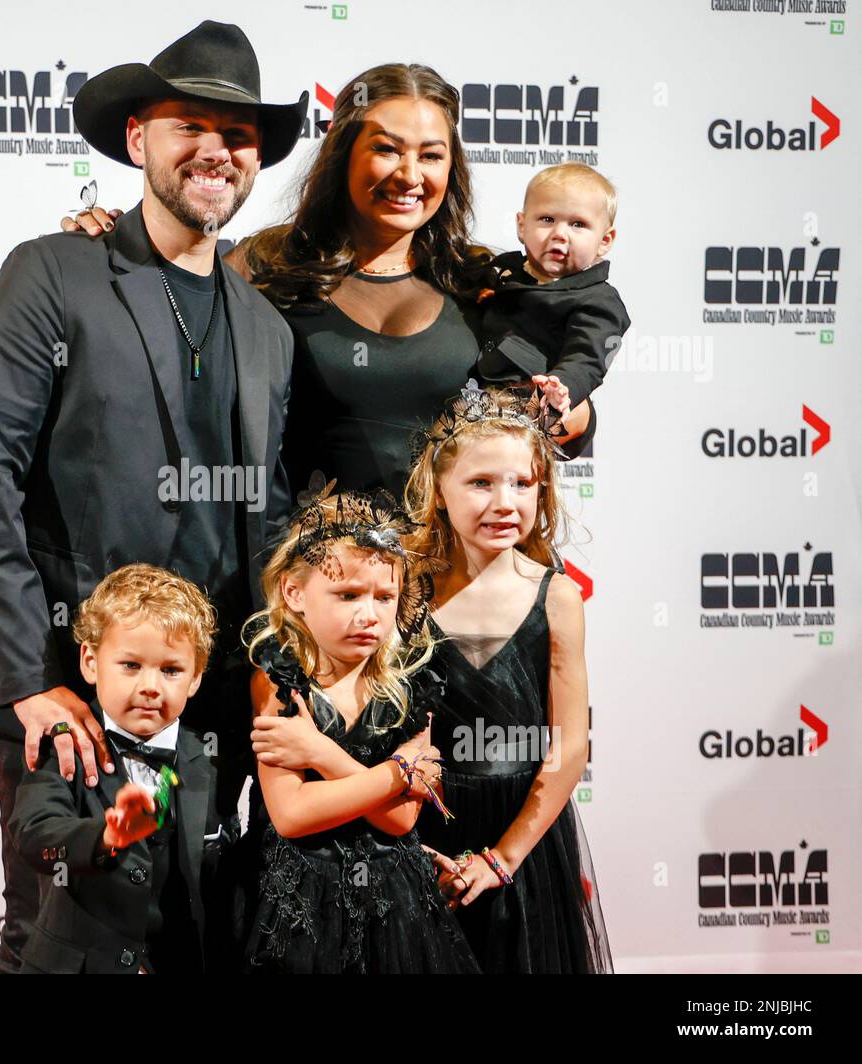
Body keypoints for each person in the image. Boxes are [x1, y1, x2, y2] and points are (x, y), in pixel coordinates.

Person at [0, 20, 306, 972]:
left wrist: (264, 674)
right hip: (64, 679)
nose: (215, 149)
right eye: (190, 124)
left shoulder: (267, 327)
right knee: (57, 938)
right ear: (137, 139)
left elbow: (263, 519)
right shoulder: (53, 273)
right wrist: (26, 681)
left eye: (238, 133)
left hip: (205, 696)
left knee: (189, 938)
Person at [64, 64, 595, 500]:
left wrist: (565, 406)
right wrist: (119, 240)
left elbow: (565, 420)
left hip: (449, 582)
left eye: (431, 155)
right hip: (310, 590)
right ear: (343, 155)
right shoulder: (268, 264)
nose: (410, 175)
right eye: (387, 149)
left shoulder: (479, 278)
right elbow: (174, 337)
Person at [404, 383, 612, 972]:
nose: (505, 502)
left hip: (524, 841)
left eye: (522, 483)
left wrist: (502, 858)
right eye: (481, 483)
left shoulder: (557, 597)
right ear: (438, 493)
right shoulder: (406, 592)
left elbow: (569, 747)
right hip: (425, 830)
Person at [240, 484, 479, 974]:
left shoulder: (413, 685)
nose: (369, 614)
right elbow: (292, 814)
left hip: (397, 900)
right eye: (347, 595)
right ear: (294, 592)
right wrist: (399, 775)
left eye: (384, 596)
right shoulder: (279, 679)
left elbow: (402, 822)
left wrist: (318, 752)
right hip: (300, 905)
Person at [9, 564, 236, 973]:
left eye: (171, 670)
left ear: (197, 677)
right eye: (130, 665)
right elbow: (33, 835)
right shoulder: (65, 745)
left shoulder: (216, 758)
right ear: (91, 663)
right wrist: (106, 836)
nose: (151, 686)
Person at [472, 162, 631, 412]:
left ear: (605, 240)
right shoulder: (503, 270)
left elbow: (588, 359)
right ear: (522, 227)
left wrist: (562, 387)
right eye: (547, 219)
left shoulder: (599, 301)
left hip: (529, 408)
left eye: (578, 224)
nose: (559, 233)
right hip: (472, 397)